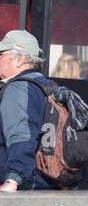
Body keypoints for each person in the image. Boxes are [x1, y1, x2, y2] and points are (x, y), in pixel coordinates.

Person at [0, 30, 52, 192]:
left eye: (1, 54)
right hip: (48, 182)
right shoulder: (46, 86)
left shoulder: (18, 88)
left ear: (19, 59)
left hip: (23, 185)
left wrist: (13, 178)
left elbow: (20, 135)